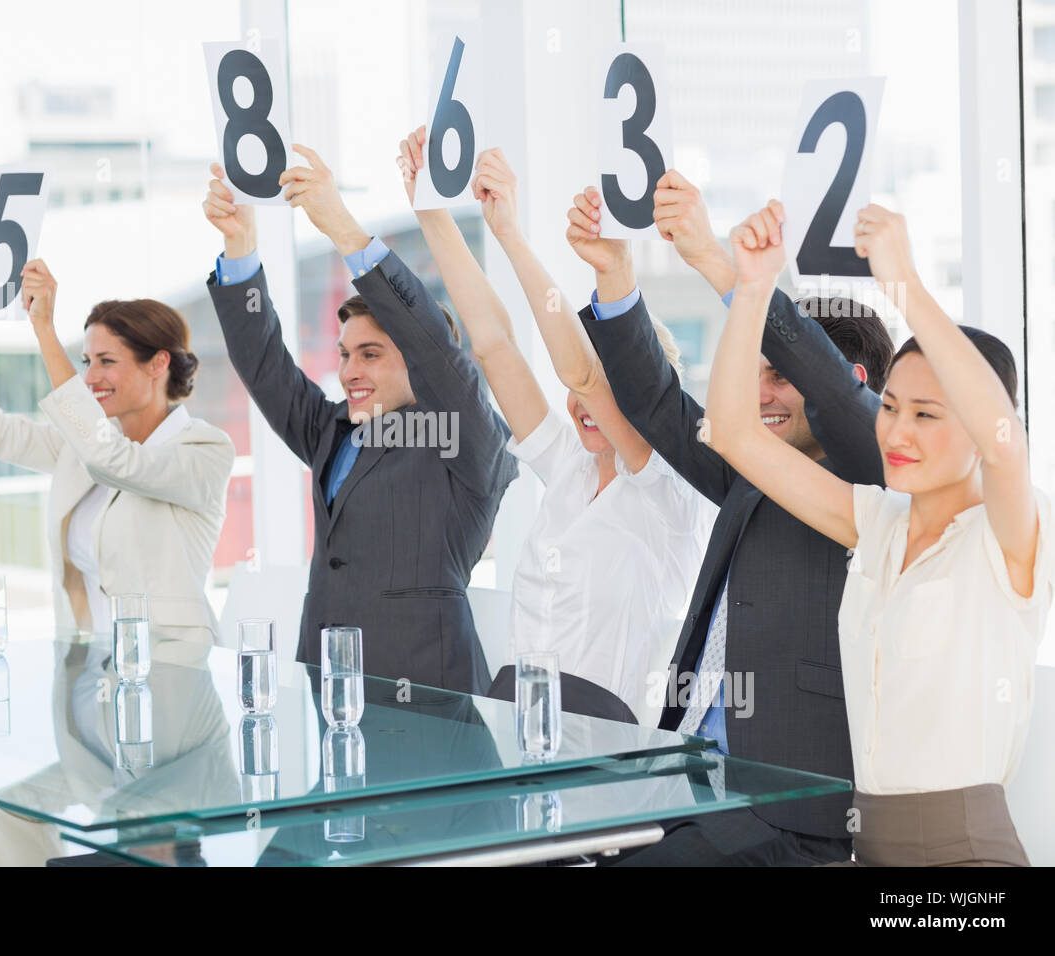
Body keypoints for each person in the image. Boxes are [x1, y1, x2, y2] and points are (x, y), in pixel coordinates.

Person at [702, 200, 1050, 866]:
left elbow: (1006, 446)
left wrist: (904, 285)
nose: (897, 431)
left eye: (926, 414)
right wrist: (751, 290)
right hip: (871, 848)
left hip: (967, 851)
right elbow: (736, 434)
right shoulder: (878, 524)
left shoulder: (1005, 539)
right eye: (890, 406)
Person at [570, 176, 894, 865]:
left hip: (788, 816)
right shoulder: (749, 467)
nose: (759, 392)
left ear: (853, 381)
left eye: (780, 375)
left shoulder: (875, 480)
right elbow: (657, 400)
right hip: (686, 786)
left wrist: (730, 274)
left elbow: (835, 392)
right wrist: (616, 279)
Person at [395, 128, 713, 722]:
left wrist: (514, 236)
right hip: (516, 715)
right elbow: (493, 345)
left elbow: (586, 374)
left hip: (603, 740)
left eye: (614, 388)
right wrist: (433, 212)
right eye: (578, 390)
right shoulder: (568, 462)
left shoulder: (671, 490)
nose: (583, 400)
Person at [202, 146, 518, 695]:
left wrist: (342, 228)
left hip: (427, 705)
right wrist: (239, 249)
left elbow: (432, 341)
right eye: (345, 354)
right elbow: (264, 363)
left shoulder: (467, 439)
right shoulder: (333, 432)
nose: (348, 370)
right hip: (328, 693)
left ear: (416, 361)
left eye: (370, 354)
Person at [0, 235, 234, 643]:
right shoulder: (82, 446)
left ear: (158, 363)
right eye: (87, 361)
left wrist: (43, 329)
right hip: (89, 676)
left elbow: (114, 462)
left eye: (107, 362)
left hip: (173, 676)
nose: (90, 378)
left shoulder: (204, 451)